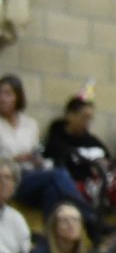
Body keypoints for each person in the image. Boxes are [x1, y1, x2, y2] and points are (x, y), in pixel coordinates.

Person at [0, 78, 85, 218]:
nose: (2, 98)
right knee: (59, 174)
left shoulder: (30, 124)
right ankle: (85, 215)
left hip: (32, 173)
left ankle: (49, 235)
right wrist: (14, 159)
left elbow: (36, 150)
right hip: (10, 177)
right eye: (0, 93)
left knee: (51, 189)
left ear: (18, 97)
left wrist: (36, 159)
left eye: (7, 94)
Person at [41, 99, 111, 220]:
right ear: (70, 115)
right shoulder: (57, 138)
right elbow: (61, 163)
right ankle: (90, 218)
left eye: (90, 118)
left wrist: (102, 163)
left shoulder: (89, 138)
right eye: (84, 117)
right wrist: (89, 168)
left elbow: (107, 155)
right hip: (74, 182)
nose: (87, 122)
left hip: (97, 181)